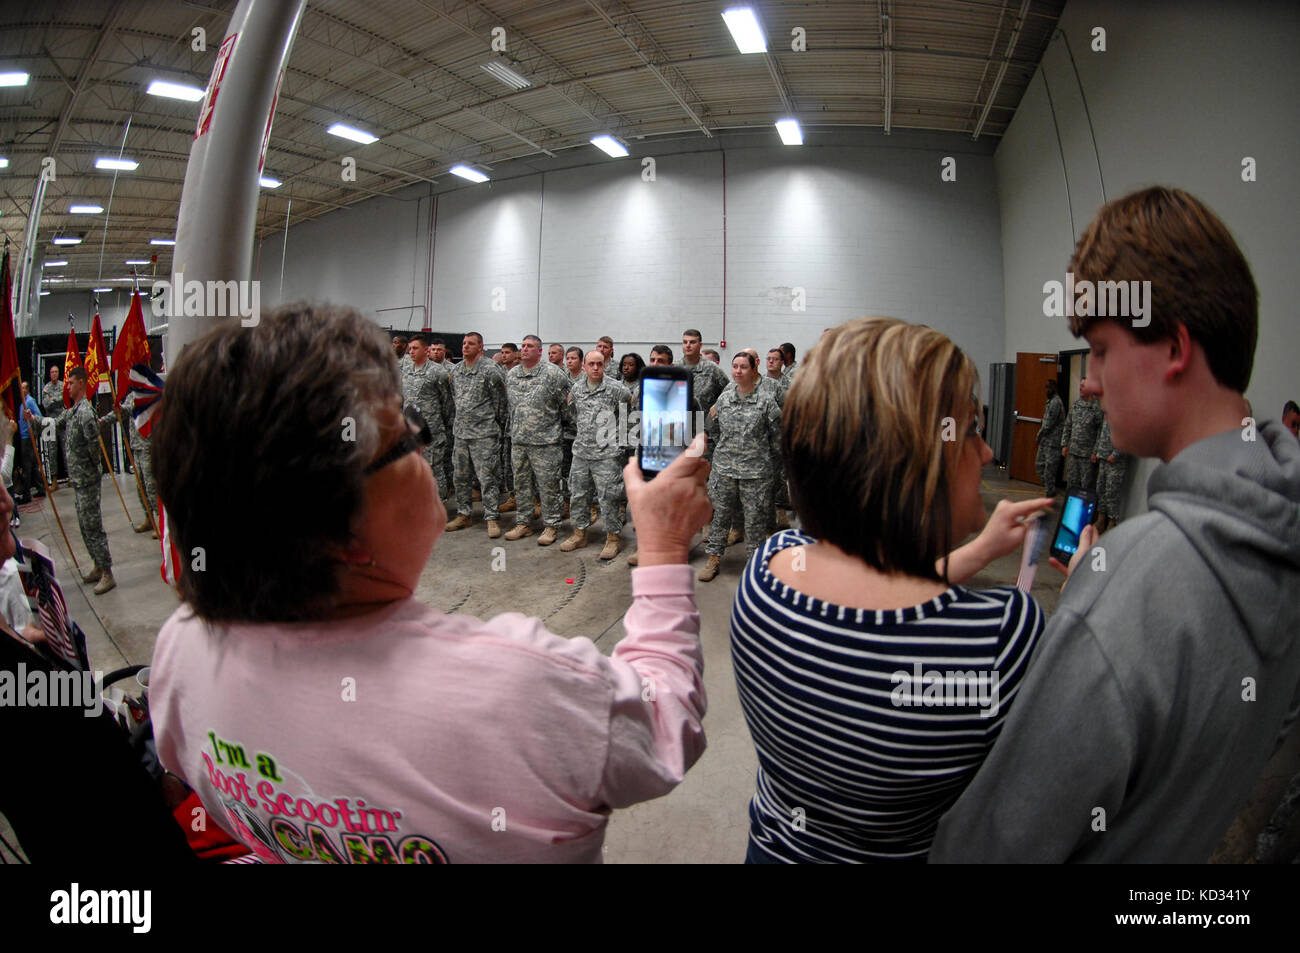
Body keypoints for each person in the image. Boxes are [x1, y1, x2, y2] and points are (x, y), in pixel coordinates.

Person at [149, 303, 714, 864]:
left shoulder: (179, 652)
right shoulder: (514, 688)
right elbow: (666, 727)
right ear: (342, 530)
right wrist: (664, 548)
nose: (423, 445)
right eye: (403, 438)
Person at [929, 186, 1300, 863]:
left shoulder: (1133, 581)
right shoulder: (1284, 522)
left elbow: (991, 845)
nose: (1091, 383)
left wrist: (1091, 613)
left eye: (1100, 350)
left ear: (1176, 348)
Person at [732, 317, 1051, 862]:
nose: (988, 453)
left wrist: (979, 550)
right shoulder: (1000, 637)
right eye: (971, 430)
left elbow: (880, 591)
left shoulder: (768, 570)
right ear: (914, 463)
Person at [698, 352, 782, 582]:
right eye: (734, 366)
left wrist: (768, 468)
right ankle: (714, 558)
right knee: (721, 516)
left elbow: (778, 441)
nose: (737, 371)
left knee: (755, 519)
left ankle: (754, 565)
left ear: (754, 370)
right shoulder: (723, 400)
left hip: (756, 473)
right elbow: (712, 431)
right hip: (725, 470)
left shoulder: (766, 402)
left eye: (743, 367)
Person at [562, 350, 632, 560]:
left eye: (599, 364)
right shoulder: (577, 388)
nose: (595, 368)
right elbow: (574, 414)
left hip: (607, 454)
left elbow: (627, 418)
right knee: (579, 494)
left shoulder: (617, 390)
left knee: (609, 497)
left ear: (605, 366)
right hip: (582, 452)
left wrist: (617, 444)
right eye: (591, 364)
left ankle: (612, 538)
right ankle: (579, 533)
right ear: (584, 365)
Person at [503, 335, 570, 545]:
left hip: (546, 442)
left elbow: (567, 407)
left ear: (540, 351)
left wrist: (555, 429)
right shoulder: (512, 374)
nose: (524, 349)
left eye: (530, 346)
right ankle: (523, 523)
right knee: (521, 484)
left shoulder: (553, 374)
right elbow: (510, 407)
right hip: (520, 440)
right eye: (522, 346)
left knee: (549, 485)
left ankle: (551, 525)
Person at [55, 367, 114, 594]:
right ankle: (98, 565)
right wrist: (35, 420)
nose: (67, 387)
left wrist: (92, 472)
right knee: (83, 525)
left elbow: (94, 448)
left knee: (93, 525)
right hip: (79, 481)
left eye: (70, 383)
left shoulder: (86, 413)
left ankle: (108, 572)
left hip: (88, 479)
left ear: (81, 383)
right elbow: (56, 423)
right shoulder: (73, 411)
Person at [446, 332, 507, 538]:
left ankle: (491, 516)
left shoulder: (490, 370)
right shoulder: (456, 371)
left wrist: (492, 424)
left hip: (484, 434)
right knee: (460, 476)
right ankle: (464, 514)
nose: (465, 347)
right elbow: (455, 398)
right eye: (464, 343)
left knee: (487, 477)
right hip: (461, 434)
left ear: (480, 347)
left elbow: (500, 402)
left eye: (470, 344)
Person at [401, 334, 453, 501]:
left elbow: (447, 402)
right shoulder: (406, 370)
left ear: (426, 350)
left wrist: (443, 426)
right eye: (409, 349)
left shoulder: (438, 372)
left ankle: (439, 506)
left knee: (434, 469)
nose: (411, 352)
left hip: (432, 429)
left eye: (415, 348)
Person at [101, 393, 157, 535]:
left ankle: (160, 522)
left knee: (151, 486)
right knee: (141, 487)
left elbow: (139, 411)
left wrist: (125, 408)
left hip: (148, 446)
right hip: (136, 447)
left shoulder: (149, 392)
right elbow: (122, 412)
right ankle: (149, 518)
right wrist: (104, 421)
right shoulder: (131, 395)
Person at [1060, 377, 1102, 492]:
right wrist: (1064, 444)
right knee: (1071, 483)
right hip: (1073, 452)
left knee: (1086, 486)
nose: (1080, 388)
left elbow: (1100, 431)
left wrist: (1095, 451)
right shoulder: (1076, 405)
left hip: (1087, 455)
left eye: (1083, 386)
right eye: (1080, 385)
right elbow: (1068, 425)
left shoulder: (1096, 408)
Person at [1091, 417, 1128, 533]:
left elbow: (1127, 436)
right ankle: (1101, 520)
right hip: (1102, 458)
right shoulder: (1109, 411)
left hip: (1115, 462)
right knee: (1100, 490)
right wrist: (1096, 451)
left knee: (1112, 492)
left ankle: (1112, 523)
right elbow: (1101, 433)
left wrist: (1116, 454)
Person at [682, 330, 730, 415]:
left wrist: (715, 411)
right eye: (685, 342)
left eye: (692, 342)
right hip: (680, 420)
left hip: (702, 421)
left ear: (700, 345)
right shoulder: (675, 368)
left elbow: (728, 392)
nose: (688, 345)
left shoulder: (712, 369)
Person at [1035, 379, 1065, 496]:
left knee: (1049, 471)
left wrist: (1039, 436)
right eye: (1046, 387)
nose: (1047, 390)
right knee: (1039, 466)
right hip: (1045, 442)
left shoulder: (1055, 403)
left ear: (1054, 389)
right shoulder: (1050, 402)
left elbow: (1048, 424)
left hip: (1053, 443)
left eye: (1049, 387)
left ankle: (1049, 494)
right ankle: (1050, 490)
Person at [15, 382, 43, 503]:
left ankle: (27, 495)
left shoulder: (29, 401)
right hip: (24, 436)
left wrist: (32, 429)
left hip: (28, 437)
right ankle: (41, 488)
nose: (21, 390)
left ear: (27, 390)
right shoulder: (24, 401)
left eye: (23, 388)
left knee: (27, 466)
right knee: (32, 465)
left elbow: (39, 416)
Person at [41, 364, 63, 483]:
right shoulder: (45, 388)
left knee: (66, 448)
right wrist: (56, 400)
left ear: (58, 373)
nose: (54, 374)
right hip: (49, 423)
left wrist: (52, 399)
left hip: (62, 421)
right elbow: (46, 405)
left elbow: (64, 399)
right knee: (51, 451)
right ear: (49, 374)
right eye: (52, 372)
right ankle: (54, 480)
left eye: (56, 371)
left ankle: (70, 476)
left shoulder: (63, 385)